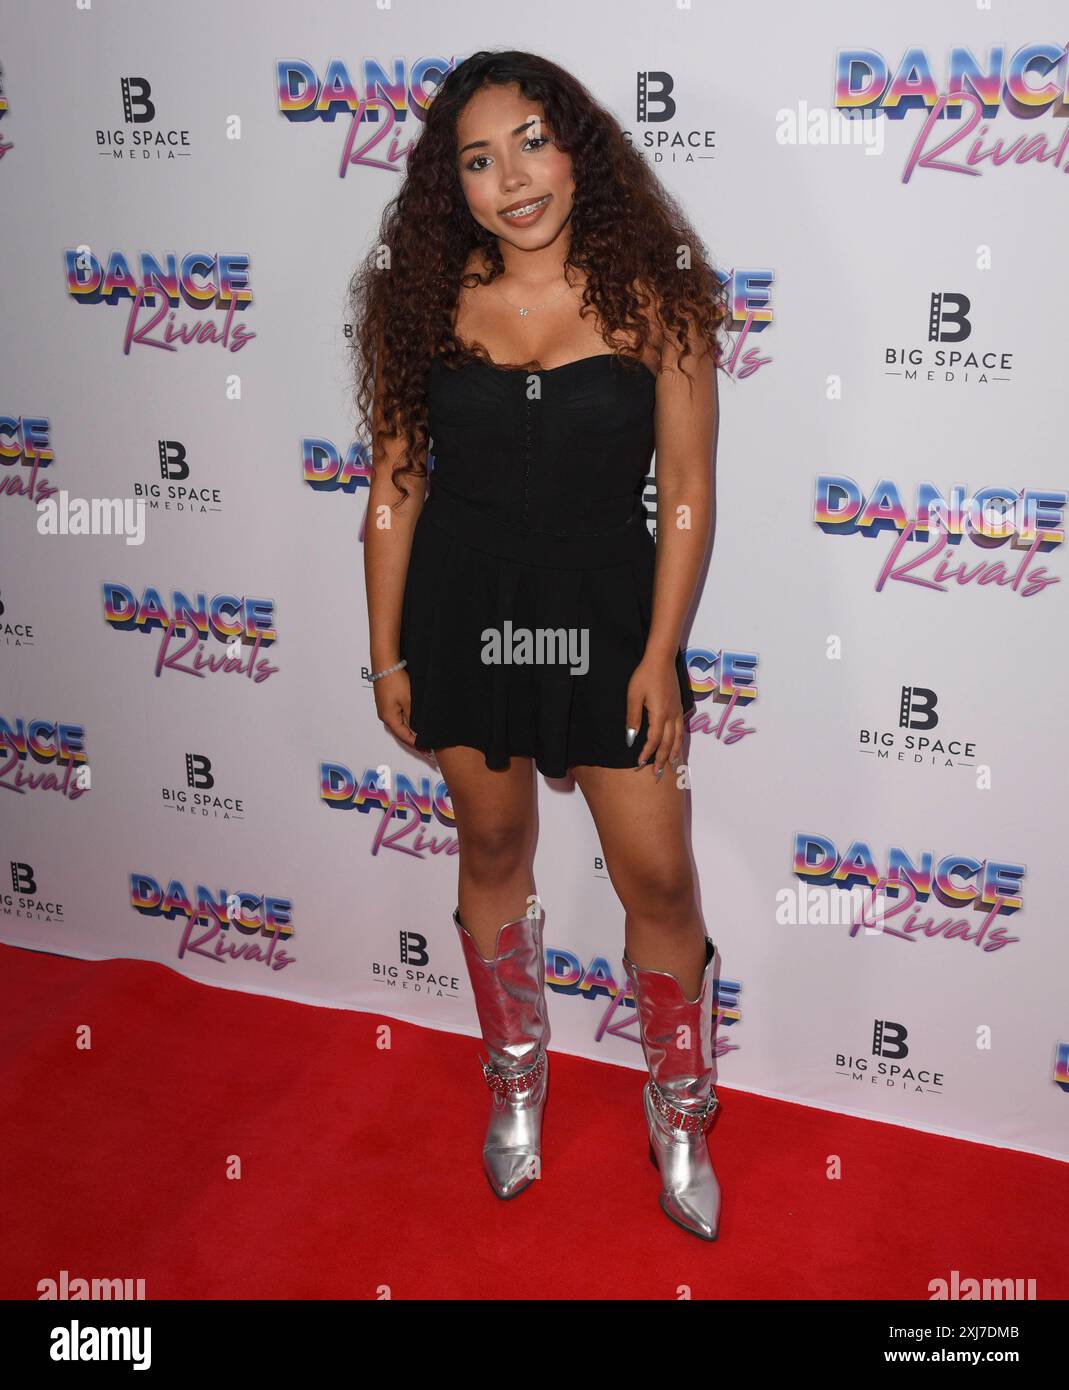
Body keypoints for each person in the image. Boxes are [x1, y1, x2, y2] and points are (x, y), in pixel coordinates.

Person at [350, 50, 726, 1241]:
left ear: (578, 148)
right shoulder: (420, 297)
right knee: (494, 836)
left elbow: (686, 490)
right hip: (459, 611)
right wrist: (386, 653)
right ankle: (515, 1078)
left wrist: (660, 650)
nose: (510, 177)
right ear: (448, 181)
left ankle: (680, 1105)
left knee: (657, 873)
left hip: (610, 620)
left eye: (530, 141)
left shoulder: (656, 293)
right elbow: (392, 485)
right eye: (477, 157)